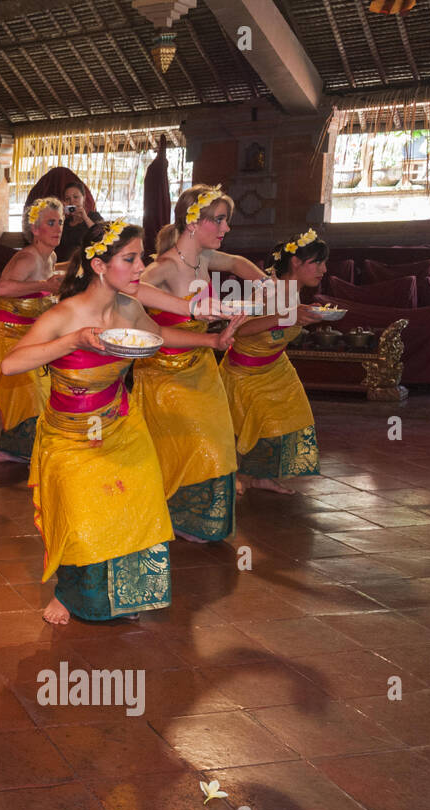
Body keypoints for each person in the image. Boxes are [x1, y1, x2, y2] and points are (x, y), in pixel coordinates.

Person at [2, 222, 235, 625]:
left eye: (140, 257)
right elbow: (11, 364)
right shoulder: (65, 315)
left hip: (119, 421)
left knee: (138, 502)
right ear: (98, 265)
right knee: (83, 516)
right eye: (130, 259)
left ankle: (127, 591)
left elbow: (160, 333)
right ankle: (68, 593)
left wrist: (212, 342)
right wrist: (72, 342)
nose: (140, 266)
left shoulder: (128, 307)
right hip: (69, 434)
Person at [135, 184, 259, 542]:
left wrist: (266, 284)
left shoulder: (204, 259)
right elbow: (133, 288)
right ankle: (174, 513)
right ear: (193, 223)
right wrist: (189, 307)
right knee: (188, 443)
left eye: (226, 220)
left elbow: (237, 263)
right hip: (165, 374)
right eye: (219, 220)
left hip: (202, 363)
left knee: (218, 441)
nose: (226, 228)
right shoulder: (165, 266)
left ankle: (196, 518)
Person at [218, 228, 325, 494]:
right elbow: (241, 329)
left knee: (293, 418)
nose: (323, 269)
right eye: (317, 262)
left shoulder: (294, 291)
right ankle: (242, 474)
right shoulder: (270, 290)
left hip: (276, 366)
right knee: (255, 425)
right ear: (297, 263)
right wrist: (287, 316)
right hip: (244, 370)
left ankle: (261, 476)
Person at [0, 197, 63, 463]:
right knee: (27, 392)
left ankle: (10, 449)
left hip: (26, 333)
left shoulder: (50, 256)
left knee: (40, 388)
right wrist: (46, 285)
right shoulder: (27, 258)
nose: (58, 228)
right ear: (35, 229)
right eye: (51, 223)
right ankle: (19, 450)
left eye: (60, 222)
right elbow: (2, 289)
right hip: (2, 332)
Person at [55, 180, 105, 261]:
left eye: (76, 197)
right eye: (67, 199)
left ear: (84, 198)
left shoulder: (93, 217)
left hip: (84, 264)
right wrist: (60, 215)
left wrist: (85, 218)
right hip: (62, 265)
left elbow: (101, 236)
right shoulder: (64, 222)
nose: (72, 201)